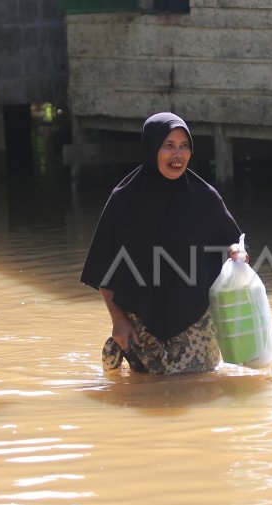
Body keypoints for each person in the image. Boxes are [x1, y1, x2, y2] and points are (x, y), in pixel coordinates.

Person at [80, 112, 244, 374]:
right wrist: (118, 319)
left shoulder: (204, 197)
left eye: (184, 146)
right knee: (144, 390)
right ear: (152, 148)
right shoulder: (124, 200)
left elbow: (233, 241)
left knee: (200, 387)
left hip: (197, 326)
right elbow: (102, 266)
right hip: (140, 328)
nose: (178, 154)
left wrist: (237, 252)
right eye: (169, 145)